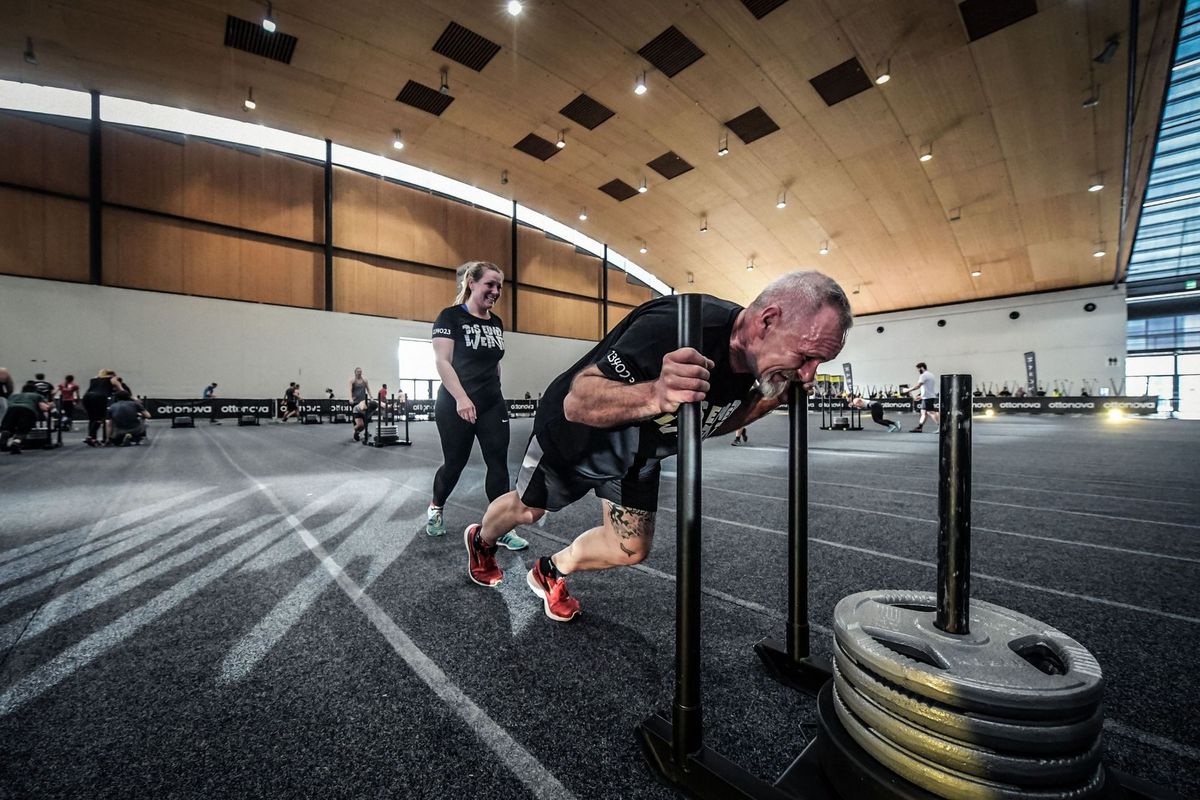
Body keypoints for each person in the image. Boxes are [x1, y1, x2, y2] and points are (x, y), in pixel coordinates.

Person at [463, 271, 852, 622]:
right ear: (767, 321)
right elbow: (577, 402)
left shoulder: (753, 366)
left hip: (639, 453)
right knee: (528, 511)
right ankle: (483, 540)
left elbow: (705, 423)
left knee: (629, 547)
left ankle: (550, 570)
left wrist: (759, 405)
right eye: (807, 357)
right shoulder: (676, 326)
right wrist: (656, 393)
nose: (809, 374)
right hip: (578, 438)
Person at [426, 260, 525, 551]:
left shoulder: (496, 322)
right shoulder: (450, 317)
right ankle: (436, 507)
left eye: (499, 286)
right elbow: (442, 362)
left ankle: (500, 527)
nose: (495, 291)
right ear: (472, 283)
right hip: (455, 402)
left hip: (492, 403)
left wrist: (495, 392)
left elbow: (494, 364)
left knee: (498, 464)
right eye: (490, 284)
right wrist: (461, 398)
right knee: (454, 464)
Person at [0, 381, 52, 454]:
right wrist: (51, 405)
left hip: (11, 409)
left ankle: (3, 439)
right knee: (23, 429)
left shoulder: (14, 395)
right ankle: (16, 443)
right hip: (28, 410)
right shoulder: (36, 395)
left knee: (7, 427)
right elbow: (45, 408)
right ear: (35, 390)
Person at [83, 369, 122, 446]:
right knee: (99, 418)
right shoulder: (112, 379)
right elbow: (121, 390)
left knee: (92, 418)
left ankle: (92, 438)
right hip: (100, 397)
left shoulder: (94, 379)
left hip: (87, 397)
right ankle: (90, 436)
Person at [909, 362, 939, 433]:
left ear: (922, 368)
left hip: (928, 398)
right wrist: (921, 396)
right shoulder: (931, 374)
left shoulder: (923, 375)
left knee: (930, 412)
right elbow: (927, 387)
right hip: (927, 397)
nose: (918, 371)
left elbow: (918, 386)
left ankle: (941, 426)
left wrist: (908, 389)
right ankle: (919, 427)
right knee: (923, 412)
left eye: (918, 369)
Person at [350, 367, 372, 443]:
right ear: (355, 372)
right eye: (358, 371)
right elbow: (349, 390)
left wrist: (371, 397)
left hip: (363, 402)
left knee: (366, 418)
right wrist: (350, 399)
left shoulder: (365, 380)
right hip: (355, 402)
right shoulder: (352, 380)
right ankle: (356, 433)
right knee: (357, 421)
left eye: (360, 371)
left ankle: (365, 432)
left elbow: (368, 389)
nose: (359, 373)